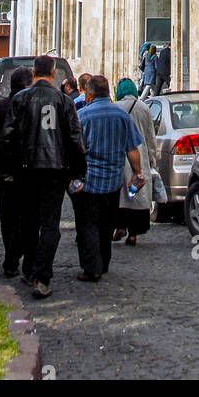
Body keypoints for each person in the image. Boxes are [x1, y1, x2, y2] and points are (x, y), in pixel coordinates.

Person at [0, 55, 85, 299]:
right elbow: (75, 139)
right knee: (50, 224)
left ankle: (29, 267)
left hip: (26, 169)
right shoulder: (64, 101)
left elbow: (7, 137)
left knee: (28, 220)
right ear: (53, 72)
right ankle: (41, 275)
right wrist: (78, 171)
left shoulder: (20, 99)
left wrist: (8, 170)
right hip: (55, 170)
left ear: (35, 72)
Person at [72, 75, 144, 282]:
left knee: (88, 225)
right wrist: (137, 173)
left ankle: (91, 267)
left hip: (89, 181)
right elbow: (132, 148)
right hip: (113, 182)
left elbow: (77, 149)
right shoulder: (121, 116)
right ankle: (103, 263)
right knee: (106, 224)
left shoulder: (83, 116)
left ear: (90, 93)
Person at [0, 66, 32, 277]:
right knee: (26, 215)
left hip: (5, 172)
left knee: (9, 217)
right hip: (27, 171)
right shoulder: (30, 107)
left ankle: (11, 258)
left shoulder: (0, 108)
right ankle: (19, 253)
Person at [112, 79, 156, 246]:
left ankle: (120, 225)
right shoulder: (144, 108)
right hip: (140, 155)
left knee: (122, 195)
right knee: (136, 194)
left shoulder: (115, 107)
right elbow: (150, 136)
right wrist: (152, 160)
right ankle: (133, 234)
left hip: (120, 156)